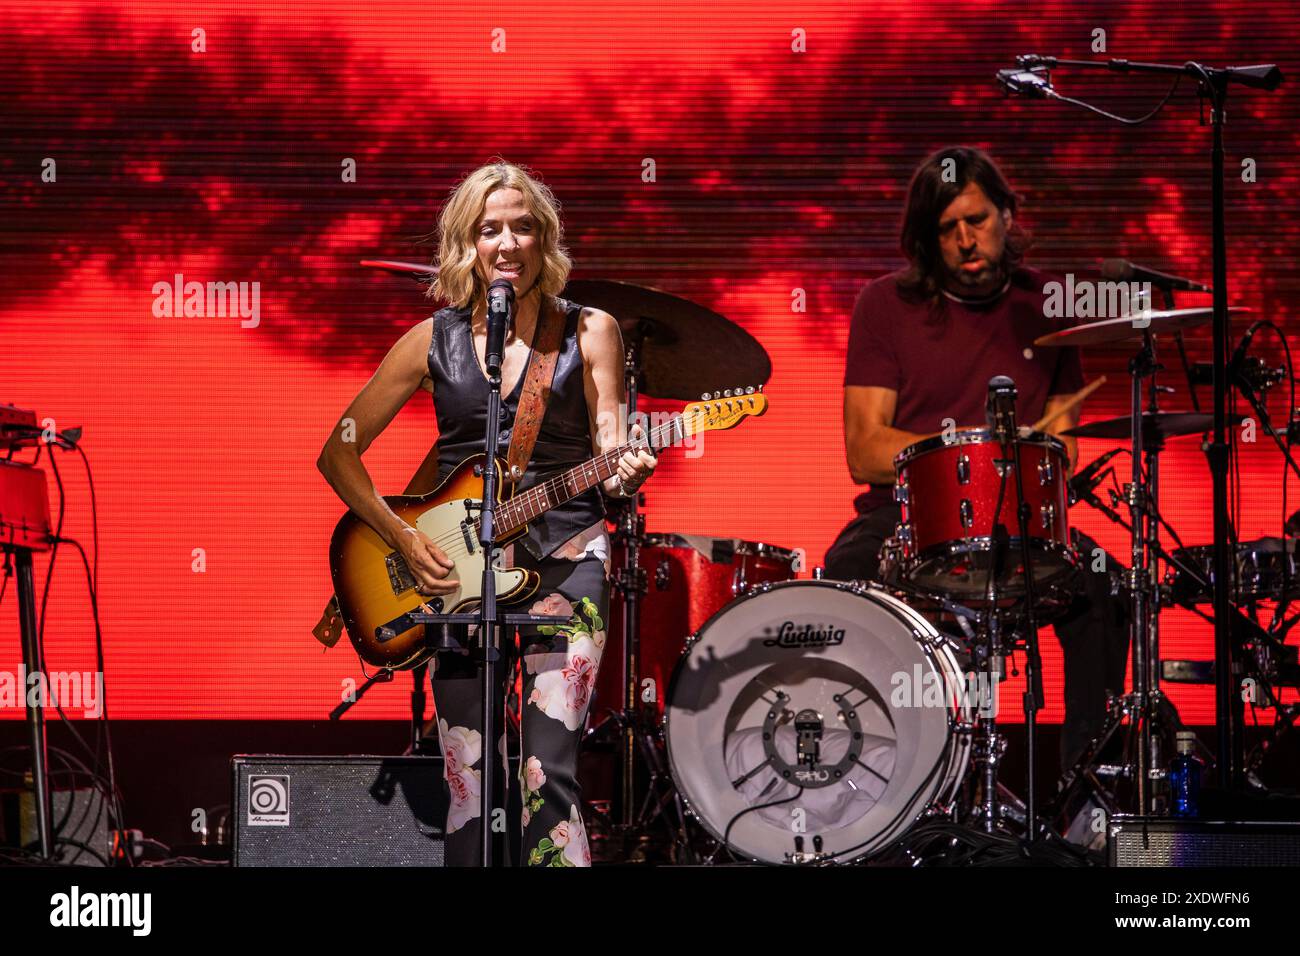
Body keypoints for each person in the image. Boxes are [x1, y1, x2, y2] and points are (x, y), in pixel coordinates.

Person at [317, 161, 657, 866]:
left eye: (523, 227)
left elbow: (611, 448)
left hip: (567, 559)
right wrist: (405, 539)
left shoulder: (591, 330)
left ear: (546, 240)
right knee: (466, 777)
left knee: (546, 774)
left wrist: (625, 470)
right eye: (489, 229)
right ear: (466, 245)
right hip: (459, 576)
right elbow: (339, 454)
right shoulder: (431, 341)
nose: (507, 242)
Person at [824, 145, 1130, 771]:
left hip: (1020, 527)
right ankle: (869, 783)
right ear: (927, 238)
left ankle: (1084, 798)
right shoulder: (885, 304)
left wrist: (1022, 465)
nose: (965, 238)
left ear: (1008, 217)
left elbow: (1062, 448)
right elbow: (864, 449)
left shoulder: (1050, 304)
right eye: (947, 228)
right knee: (845, 570)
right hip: (909, 522)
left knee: (1107, 585)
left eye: (978, 219)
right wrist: (976, 451)